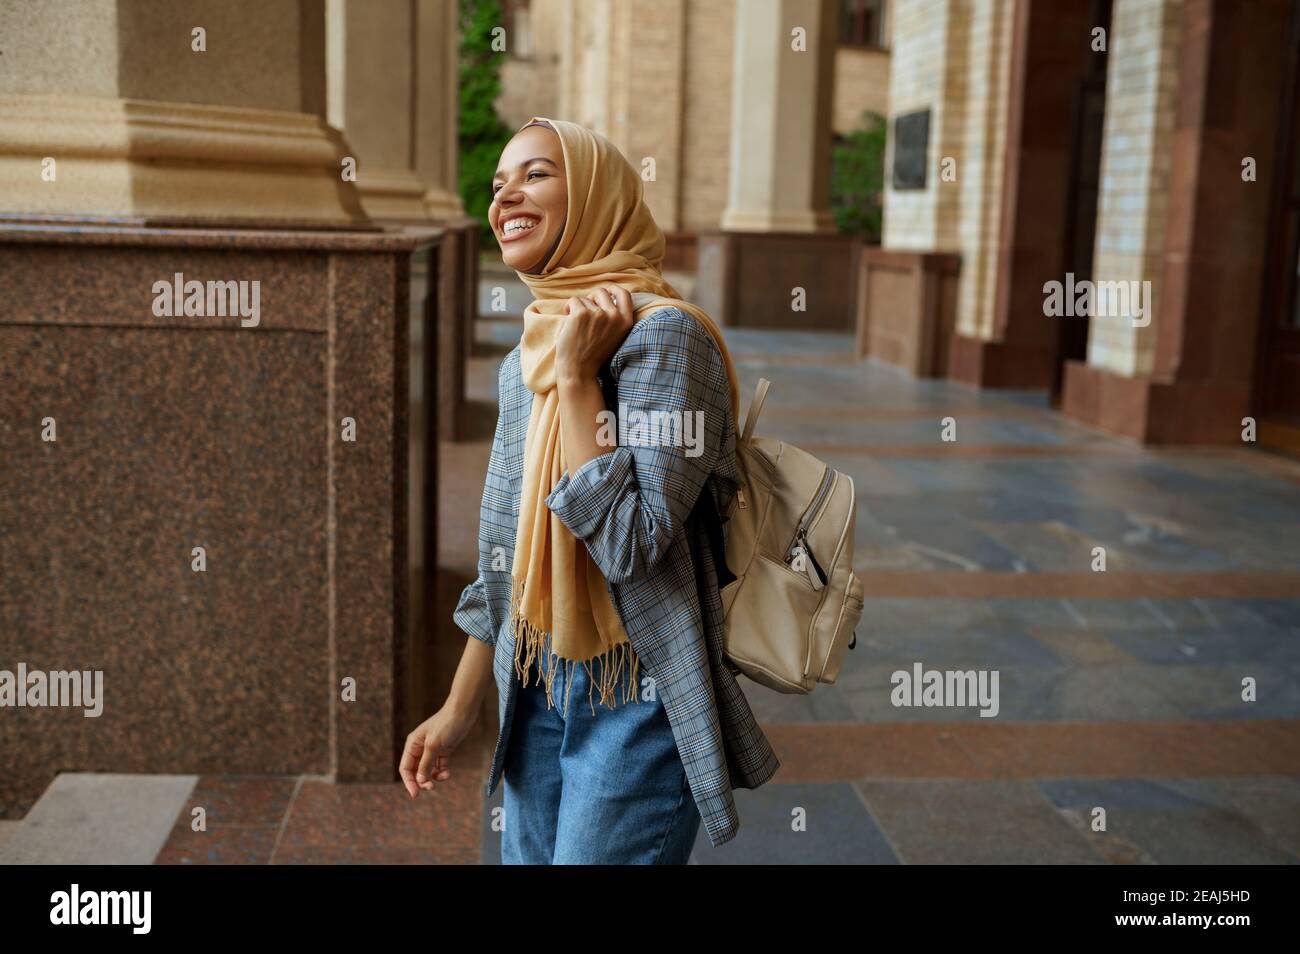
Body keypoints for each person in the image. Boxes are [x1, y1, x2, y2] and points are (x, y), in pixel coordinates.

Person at [398, 116, 779, 864]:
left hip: (637, 698)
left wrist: (579, 384)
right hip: (534, 683)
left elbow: (633, 544)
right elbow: (504, 558)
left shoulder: (669, 340)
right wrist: (457, 707)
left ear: (599, 194)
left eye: (536, 173)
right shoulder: (529, 351)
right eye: (499, 180)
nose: (506, 193)